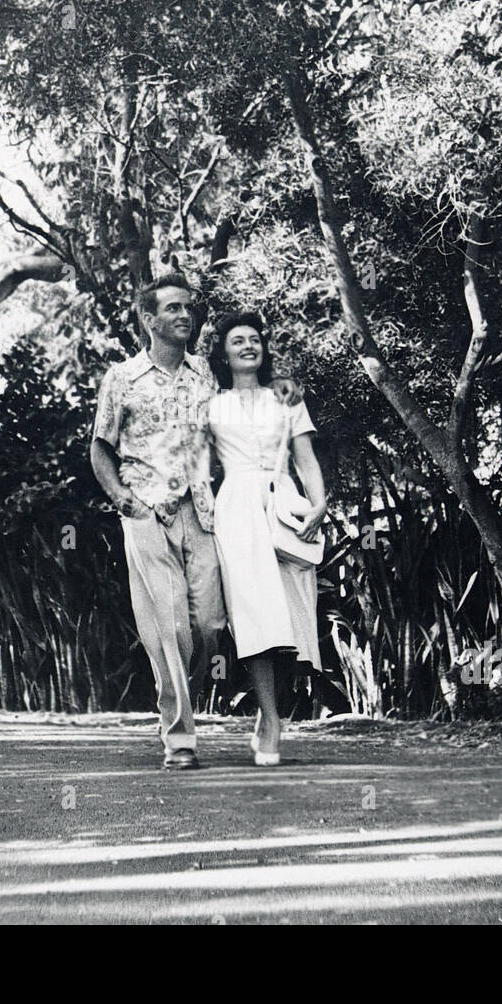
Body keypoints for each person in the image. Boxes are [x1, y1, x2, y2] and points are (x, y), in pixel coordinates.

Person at [90, 276, 301, 770]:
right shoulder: (121, 378)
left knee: (209, 626)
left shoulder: (205, 372)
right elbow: (100, 447)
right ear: (149, 319)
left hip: (203, 512)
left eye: (189, 308)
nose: (185, 315)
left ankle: (184, 699)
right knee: (170, 630)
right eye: (173, 308)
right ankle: (180, 740)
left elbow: (245, 406)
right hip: (147, 512)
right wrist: (124, 500)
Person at [207, 312, 327, 766]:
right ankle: (271, 718)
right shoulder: (211, 404)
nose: (247, 346)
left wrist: (319, 504)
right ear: (224, 352)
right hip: (236, 508)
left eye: (254, 339)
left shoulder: (286, 399)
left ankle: (269, 716)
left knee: (290, 616)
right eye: (237, 340)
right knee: (254, 615)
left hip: (283, 505)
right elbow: (195, 461)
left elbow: (306, 457)